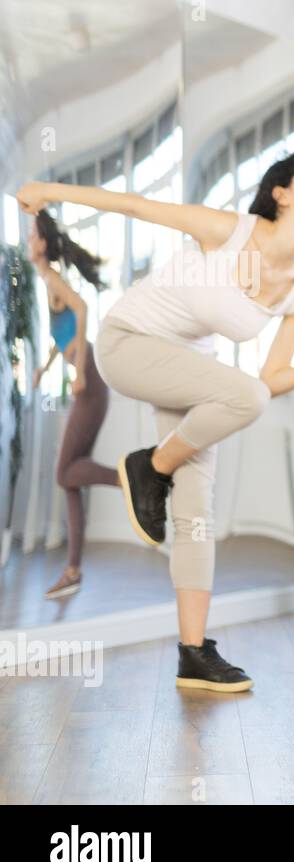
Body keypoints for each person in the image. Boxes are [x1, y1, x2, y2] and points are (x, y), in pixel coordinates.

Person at [17, 150, 294, 692]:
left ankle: (193, 653)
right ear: (281, 194)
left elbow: (268, 379)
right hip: (129, 343)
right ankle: (149, 467)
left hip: (188, 365)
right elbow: (135, 204)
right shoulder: (230, 231)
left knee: (197, 508)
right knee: (241, 398)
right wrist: (49, 191)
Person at [27, 211, 120, 599]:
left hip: (91, 380)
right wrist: (48, 365)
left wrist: (78, 371)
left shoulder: (51, 277)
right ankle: (73, 570)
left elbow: (81, 310)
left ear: (44, 244)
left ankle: (128, 478)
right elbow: (63, 331)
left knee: (65, 473)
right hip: (87, 378)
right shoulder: (47, 281)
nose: (28, 240)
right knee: (68, 479)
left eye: (32, 235)